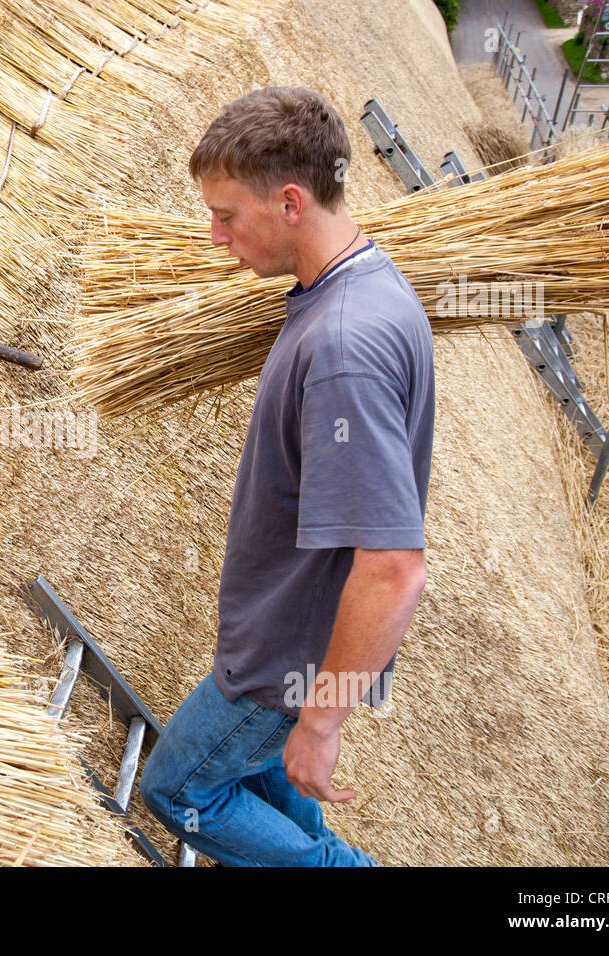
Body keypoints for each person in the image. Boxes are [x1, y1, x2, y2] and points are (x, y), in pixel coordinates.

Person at [139, 86, 435, 867]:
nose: (215, 237)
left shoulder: (344, 349)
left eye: (228, 216)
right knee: (255, 776)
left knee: (179, 791)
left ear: (292, 202)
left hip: (283, 662)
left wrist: (321, 721)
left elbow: (395, 568)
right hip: (283, 640)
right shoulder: (359, 283)